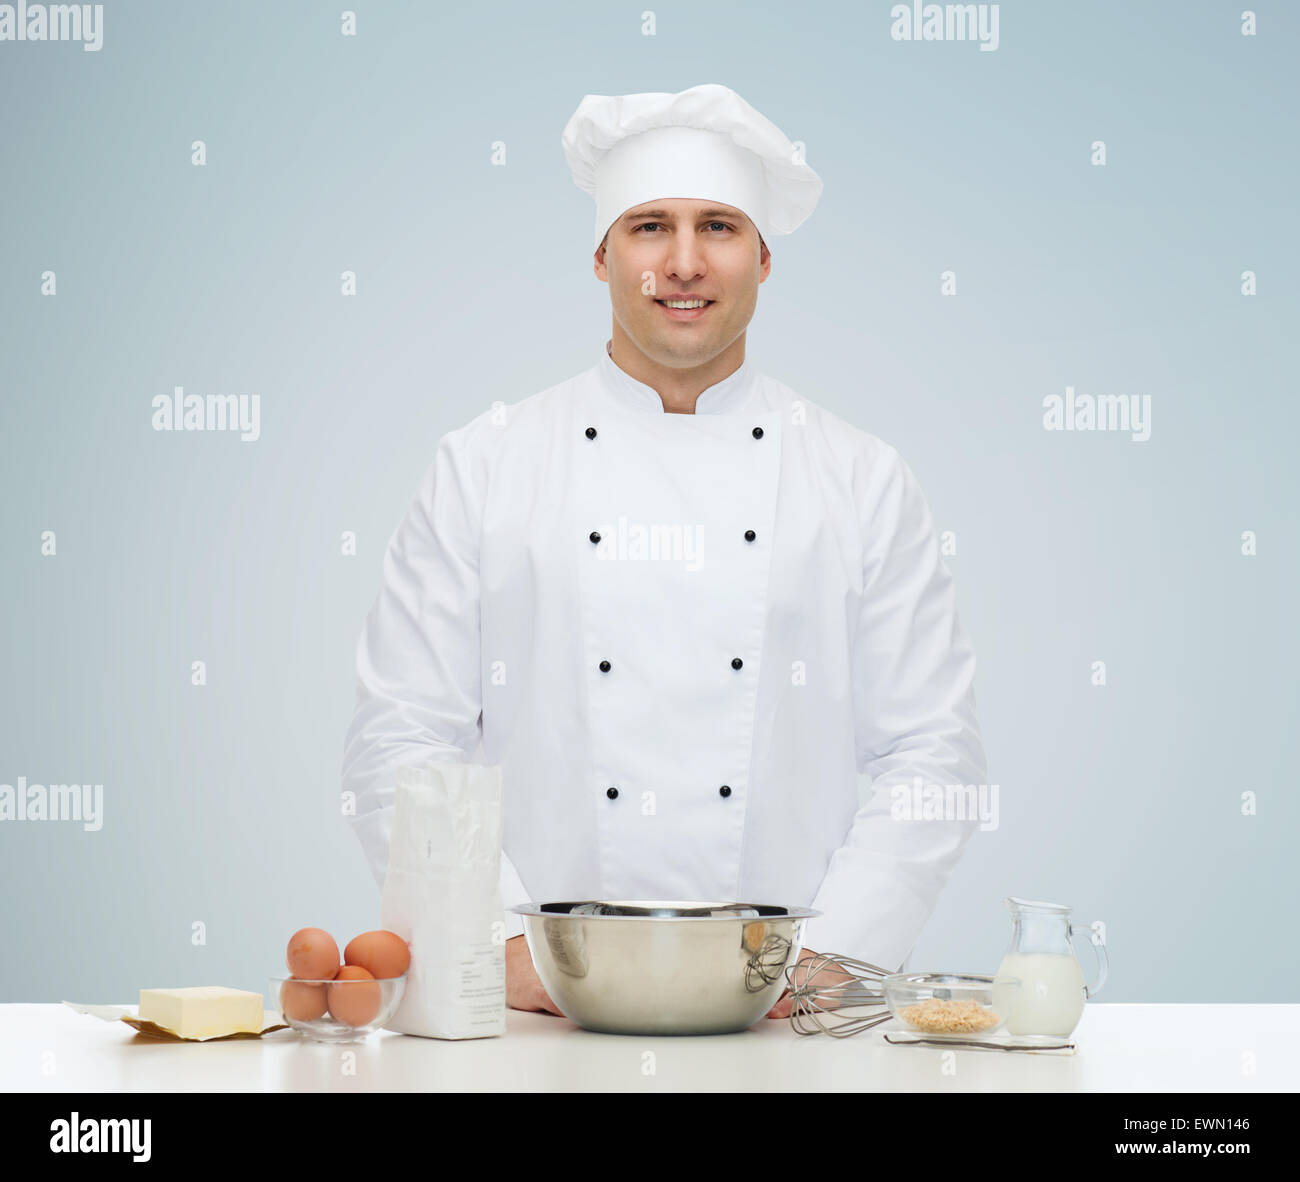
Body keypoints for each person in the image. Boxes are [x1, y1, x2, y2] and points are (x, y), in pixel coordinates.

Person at [342, 83, 988, 1019]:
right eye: (650, 227)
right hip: (538, 1024)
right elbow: (400, 737)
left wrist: (830, 961)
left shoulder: (862, 479)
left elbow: (934, 753)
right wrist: (504, 950)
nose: (683, 264)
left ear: (763, 258)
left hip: (788, 1028)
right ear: (603, 256)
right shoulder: (484, 466)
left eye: (718, 226)